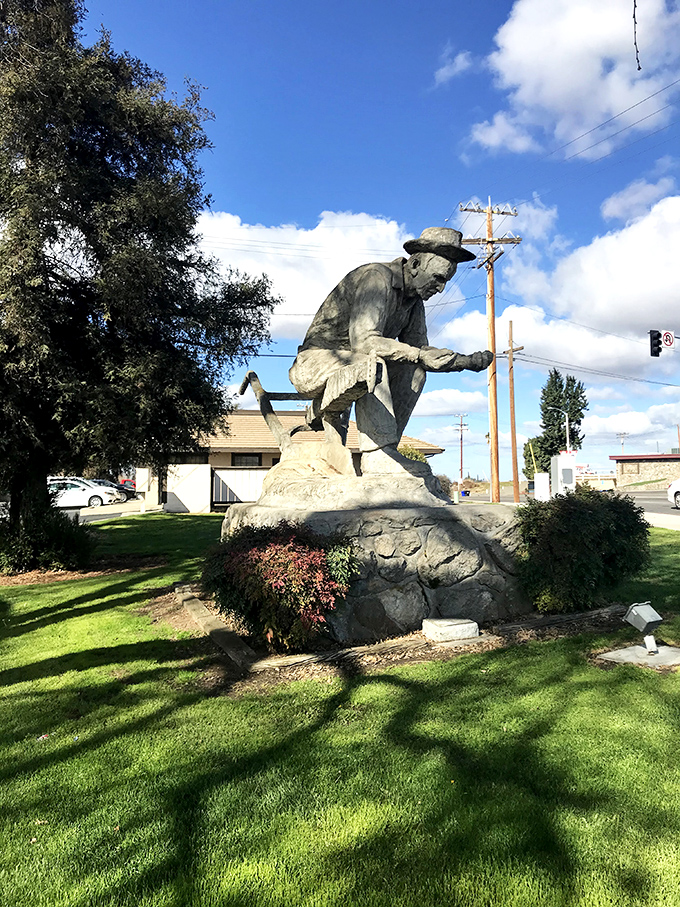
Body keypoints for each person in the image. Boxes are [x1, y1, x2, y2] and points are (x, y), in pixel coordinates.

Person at [289, 227, 493, 476]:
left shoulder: (415, 301)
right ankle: (378, 454)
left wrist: (465, 361)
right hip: (315, 363)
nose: (440, 289)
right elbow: (364, 342)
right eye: (438, 278)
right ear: (416, 263)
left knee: (415, 371)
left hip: (357, 362)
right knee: (374, 363)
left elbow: (419, 351)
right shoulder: (377, 278)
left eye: (445, 282)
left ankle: (388, 453)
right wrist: (419, 354)